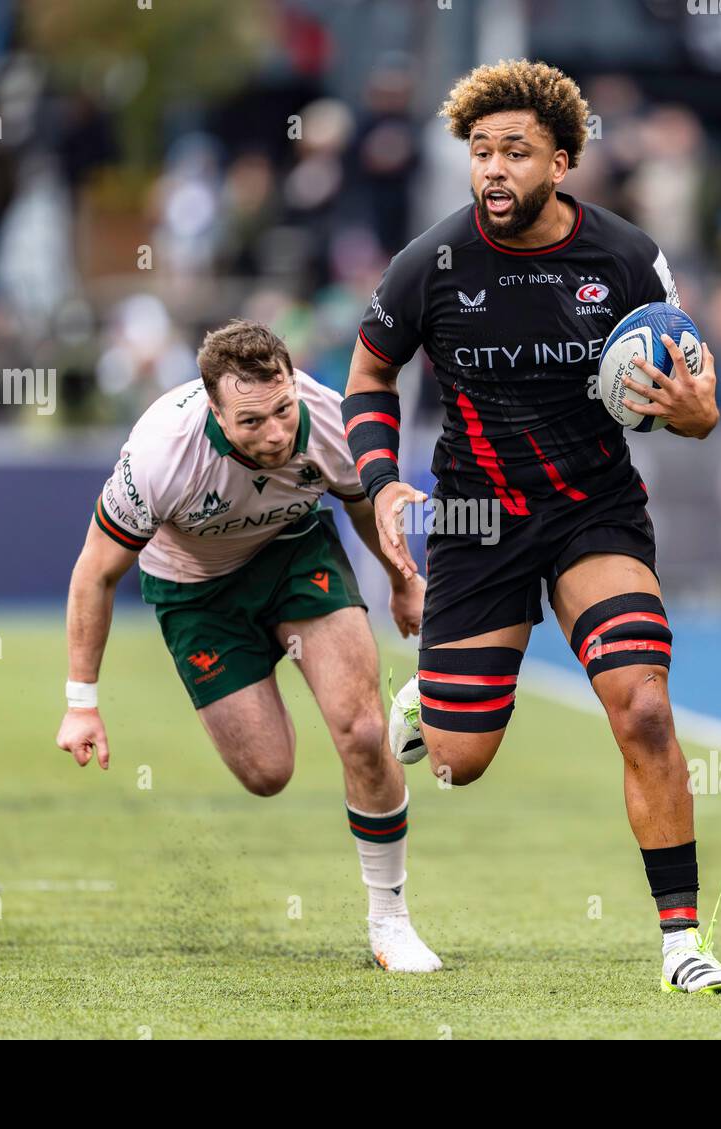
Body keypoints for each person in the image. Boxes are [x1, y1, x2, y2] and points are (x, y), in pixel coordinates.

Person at [341, 60, 721, 993]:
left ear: (562, 160)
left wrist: (692, 412)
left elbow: (698, 407)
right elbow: (369, 374)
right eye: (480, 151)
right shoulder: (429, 263)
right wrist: (380, 481)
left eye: (515, 151)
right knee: (458, 762)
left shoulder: (628, 259)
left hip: (591, 511)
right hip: (478, 521)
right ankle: (427, 708)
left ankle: (681, 944)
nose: (492, 168)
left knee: (642, 705)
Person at [57, 319, 440, 972]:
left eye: (281, 410)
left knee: (362, 729)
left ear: (294, 385)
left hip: (292, 554)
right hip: (196, 595)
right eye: (252, 420)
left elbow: (357, 504)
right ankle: (262, 668)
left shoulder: (326, 416)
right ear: (214, 408)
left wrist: (405, 584)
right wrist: (82, 701)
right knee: (268, 771)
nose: (273, 433)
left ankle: (390, 921)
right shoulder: (160, 453)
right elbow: (96, 571)